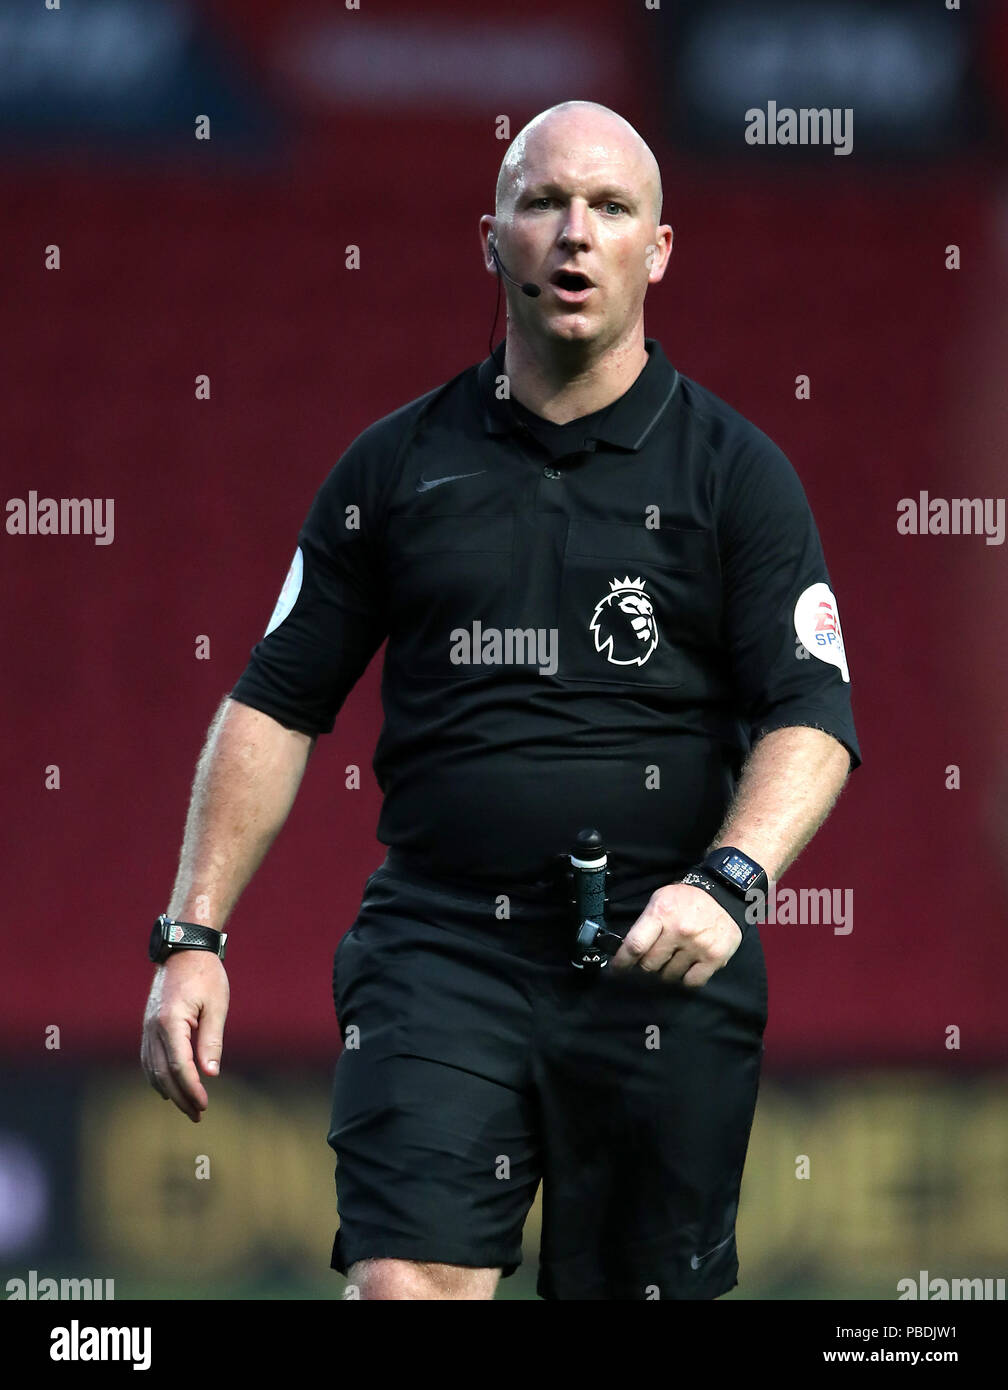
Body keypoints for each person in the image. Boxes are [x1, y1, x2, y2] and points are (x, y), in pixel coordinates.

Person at [141, 100, 860, 1301]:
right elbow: (275, 700)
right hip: (441, 949)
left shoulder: (741, 479)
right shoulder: (395, 468)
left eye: (611, 208)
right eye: (543, 203)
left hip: (661, 964)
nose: (576, 235)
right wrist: (193, 934)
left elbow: (814, 717)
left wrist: (730, 881)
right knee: (405, 1285)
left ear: (659, 249)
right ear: (492, 239)